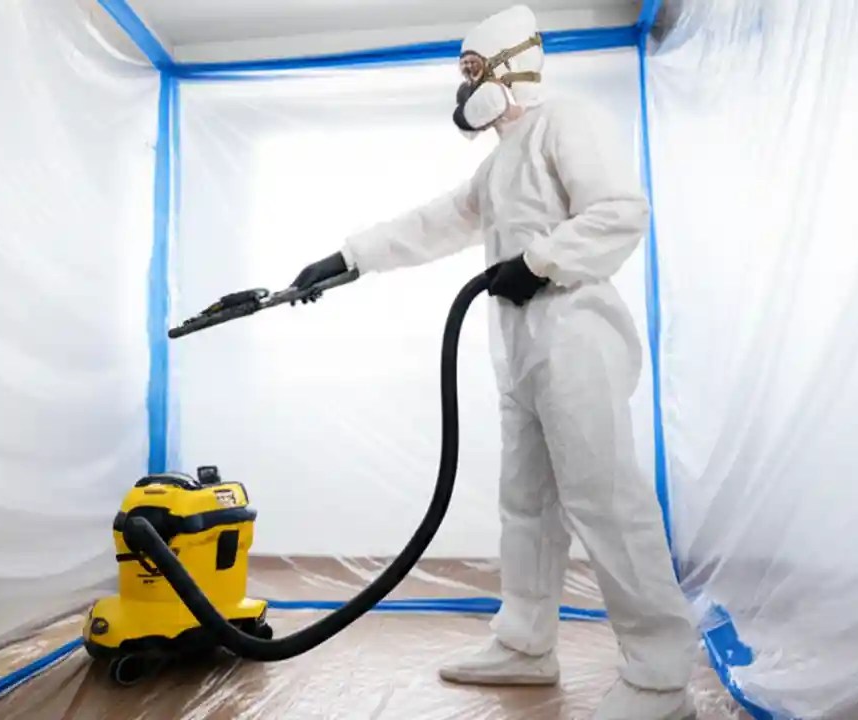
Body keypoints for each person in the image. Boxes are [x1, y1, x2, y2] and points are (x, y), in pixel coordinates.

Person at [289, 6, 700, 719]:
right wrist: (348, 257)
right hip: (520, 351)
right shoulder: (498, 162)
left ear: (509, 66)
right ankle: (525, 645)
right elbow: (435, 221)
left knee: (606, 503)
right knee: (528, 505)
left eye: (472, 73)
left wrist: (540, 263)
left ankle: (662, 680)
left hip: (576, 339)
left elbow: (620, 211)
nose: (464, 90)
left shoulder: (564, 122)